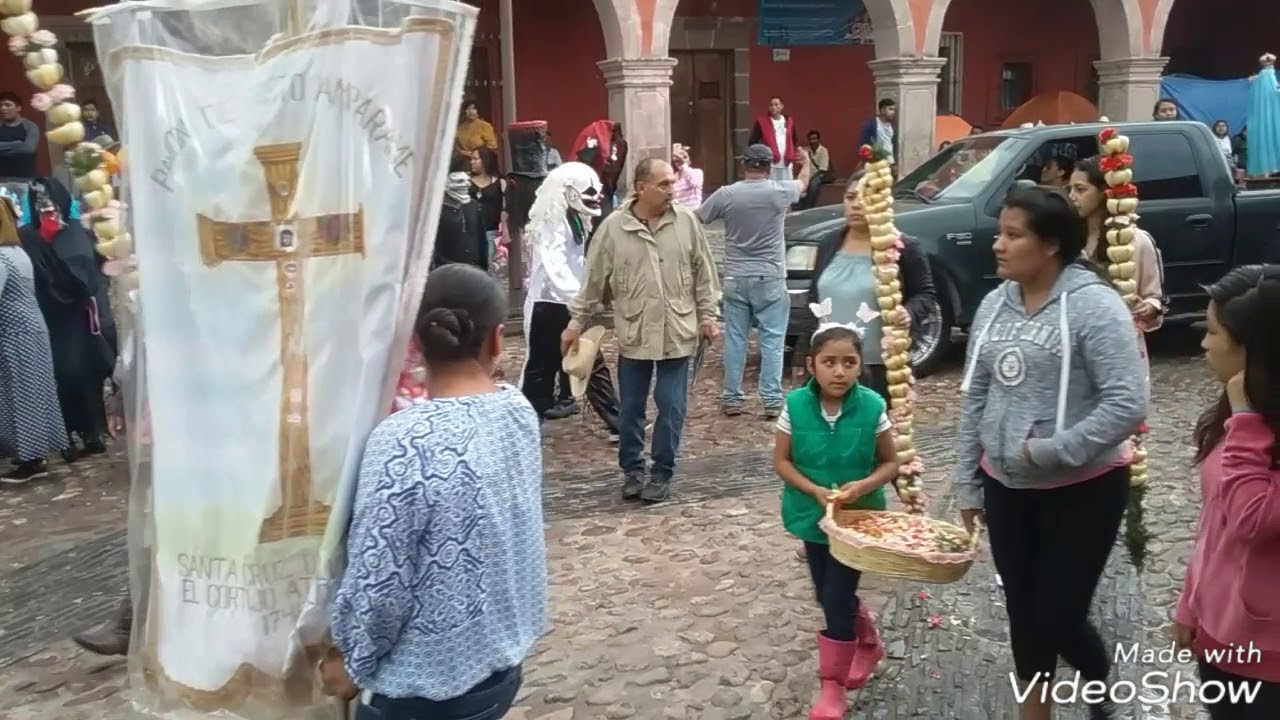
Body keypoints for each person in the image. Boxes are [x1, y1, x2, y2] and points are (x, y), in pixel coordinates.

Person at [952, 187, 1148, 720]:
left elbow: (1129, 401)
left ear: (1052, 245)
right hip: (1006, 486)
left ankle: (1096, 675)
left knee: (1058, 614)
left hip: (1083, 489)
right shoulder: (995, 305)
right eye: (1001, 232)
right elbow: (976, 394)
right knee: (1023, 610)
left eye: (1013, 236)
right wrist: (968, 482)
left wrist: (1054, 450)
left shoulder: (1094, 305)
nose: (998, 244)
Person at [324, 264, 547, 720]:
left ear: (417, 341)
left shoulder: (401, 440)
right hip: (499, 666)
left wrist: (352, 662)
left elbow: (379, 578)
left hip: (419, 692)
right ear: (495, 340)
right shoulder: (517, 412)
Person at [562, 158, 719, 504]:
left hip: (677, 331)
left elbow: (704, 274)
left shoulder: (686, 222)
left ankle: (662, 471)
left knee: (671, 404)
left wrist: (709, 316)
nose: (671, 189)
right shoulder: (613, 229)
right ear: (640, 187)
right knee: (631, 406)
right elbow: (592, 282)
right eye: (663, 184)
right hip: (634, 333)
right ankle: (632, 469)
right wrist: (575, 324)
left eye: (672, 182)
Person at [773, 312, 897, 720]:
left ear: (861, 366)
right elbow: (782, 461)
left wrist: (862, 487)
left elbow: (889, 463)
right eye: (829, 362)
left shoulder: (873, 406)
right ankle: (867, 640)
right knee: (825, 593)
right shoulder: (794, 405)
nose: (839, 372)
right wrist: (812, 489)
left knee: (837, 596)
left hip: (856, 523)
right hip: (811, 515)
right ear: (811, 365)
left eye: (849, 363)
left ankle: (832, 687)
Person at [1175, 264, 1280, 720]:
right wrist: (1190, 602)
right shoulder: (1234, 415)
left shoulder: (1247, 421)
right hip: (1218, 641)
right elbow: (1213, 525)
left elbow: (1252, 519)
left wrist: (1246, 421)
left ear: (1251, 349)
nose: (1203, 343)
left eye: (1213, 332)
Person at [696, 143, 809, 418]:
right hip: (769, 275)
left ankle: (732, 398)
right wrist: (805, 162)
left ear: (743, 165)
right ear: (769, 166)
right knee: (772, 339)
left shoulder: (727, 194)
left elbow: (698, 217)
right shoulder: (779, 192)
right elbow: (804, 184)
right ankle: (770, 400)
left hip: (735, 275)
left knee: (735, 338)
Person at [805, 177, 935, 400]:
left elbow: (925, 294)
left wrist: (909, 313)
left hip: (879, 369)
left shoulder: (903, 248)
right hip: (830, 366)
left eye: (866, 197)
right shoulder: (828, 243)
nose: (856, 204)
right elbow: (814, 301)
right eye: (850, 197)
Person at [519, 161, 619, 436]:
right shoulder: (552, 223)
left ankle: (617, 419)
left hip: (565, 302)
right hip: (547, 304)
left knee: (589, 362)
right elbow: (555, 265)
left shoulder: (571, 218)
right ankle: (523, 425)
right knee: (540, 370)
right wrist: (579, 300)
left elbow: (575, 263)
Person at [20, 177, 115, 459]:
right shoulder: (29, 235)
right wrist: (43, 243)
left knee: (84, 373)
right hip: (50, 317)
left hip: (81, 317)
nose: (44, 206)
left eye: (48, 199)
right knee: (61, 376)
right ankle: (68, 434)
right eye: (37, 201)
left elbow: (90, 274)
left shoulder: (77, 232)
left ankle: (93, 431)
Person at [0, 197, 67, 482]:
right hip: (31, 330)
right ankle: (35, 454)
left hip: (15, 335)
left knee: (21, 395)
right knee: (36, 392)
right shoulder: (16, 252)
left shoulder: (1, 257)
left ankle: (30, 459)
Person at [1069, 157, 1165, 343]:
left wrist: (1148, 308)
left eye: (1080, 190)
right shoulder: (1069, 239)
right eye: (1070, 189)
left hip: (1120, 340)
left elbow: (1154, 297)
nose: (1073, 196)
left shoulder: (1136, 241)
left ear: (1105, 192)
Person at [433, 153, 489, 270]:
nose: (466, 185)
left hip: (475, 272)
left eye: (467, 180)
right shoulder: (434, 212)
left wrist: (483, 269)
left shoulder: (473, 206)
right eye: (459, 182)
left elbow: (481, 241)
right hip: (447, 273)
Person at [747, 96, 800, 182]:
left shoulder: (789, 121)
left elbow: (794, 139)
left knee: (787, 188)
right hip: (770, 164)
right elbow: (753, 142)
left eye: (776, 104)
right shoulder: (761, 122)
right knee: (771, 189)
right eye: (771, 105)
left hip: (786, 163)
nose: (773, 107)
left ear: (782, 106)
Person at [469, 146, 506, 267]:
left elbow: (506, 209)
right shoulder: (466, 182)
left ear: (485, 160)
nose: (472, 162)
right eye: (471, 159)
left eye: (475, 159)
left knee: (490, 266)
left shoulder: (500, 182)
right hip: (470, 233)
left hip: (492, 233)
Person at [0, 91, 39, 181]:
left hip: (25, 179)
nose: (3, 108)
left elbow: (29, 149)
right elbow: (24, 148)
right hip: (2, 180)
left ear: (18, 108)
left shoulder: (30, 126)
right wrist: (18, 143)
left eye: (7, 105)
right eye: (1, 105)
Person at [797, 130, 832, 210]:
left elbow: (823, 169)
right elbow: (801, 165)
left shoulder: (823, 150)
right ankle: (800, 206)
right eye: (810, 139)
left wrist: (811, 178)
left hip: (819, 175)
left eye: (814, 139)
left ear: (818, 139)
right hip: (807, 174)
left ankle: (809, 207)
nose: (812, 141)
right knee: (799, 185)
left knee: (813, 185)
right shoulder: (805, 150)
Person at [857, 98, 897, 167]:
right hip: (876, 162)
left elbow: (891, 145)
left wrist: (893, 163)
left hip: (889, 162)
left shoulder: (891, 126)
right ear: (882, 110)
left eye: (894, 110)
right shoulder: (871, 124)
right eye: (890, 109)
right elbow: (863, 144)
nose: (893, 112)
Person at [671, 143, 703, 207]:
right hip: (679, 209)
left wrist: (684, 165)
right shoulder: (675, 176)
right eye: (676, 161)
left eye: (685, 157)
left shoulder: (697, 172)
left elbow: (694, 184)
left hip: (692, 209)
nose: (678, 162)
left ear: (689, 159)